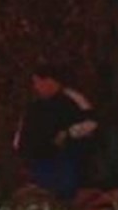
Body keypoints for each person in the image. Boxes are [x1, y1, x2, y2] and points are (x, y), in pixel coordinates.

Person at [14, 65, 97, 200]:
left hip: (63, 160)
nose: (36, 87)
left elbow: (91, 123)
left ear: (49, 81)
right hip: (38, 161)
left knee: (62, 195)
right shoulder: (36, 105)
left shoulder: (71, 99)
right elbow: (23, 130)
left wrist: (68, 134)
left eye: (38, 82)